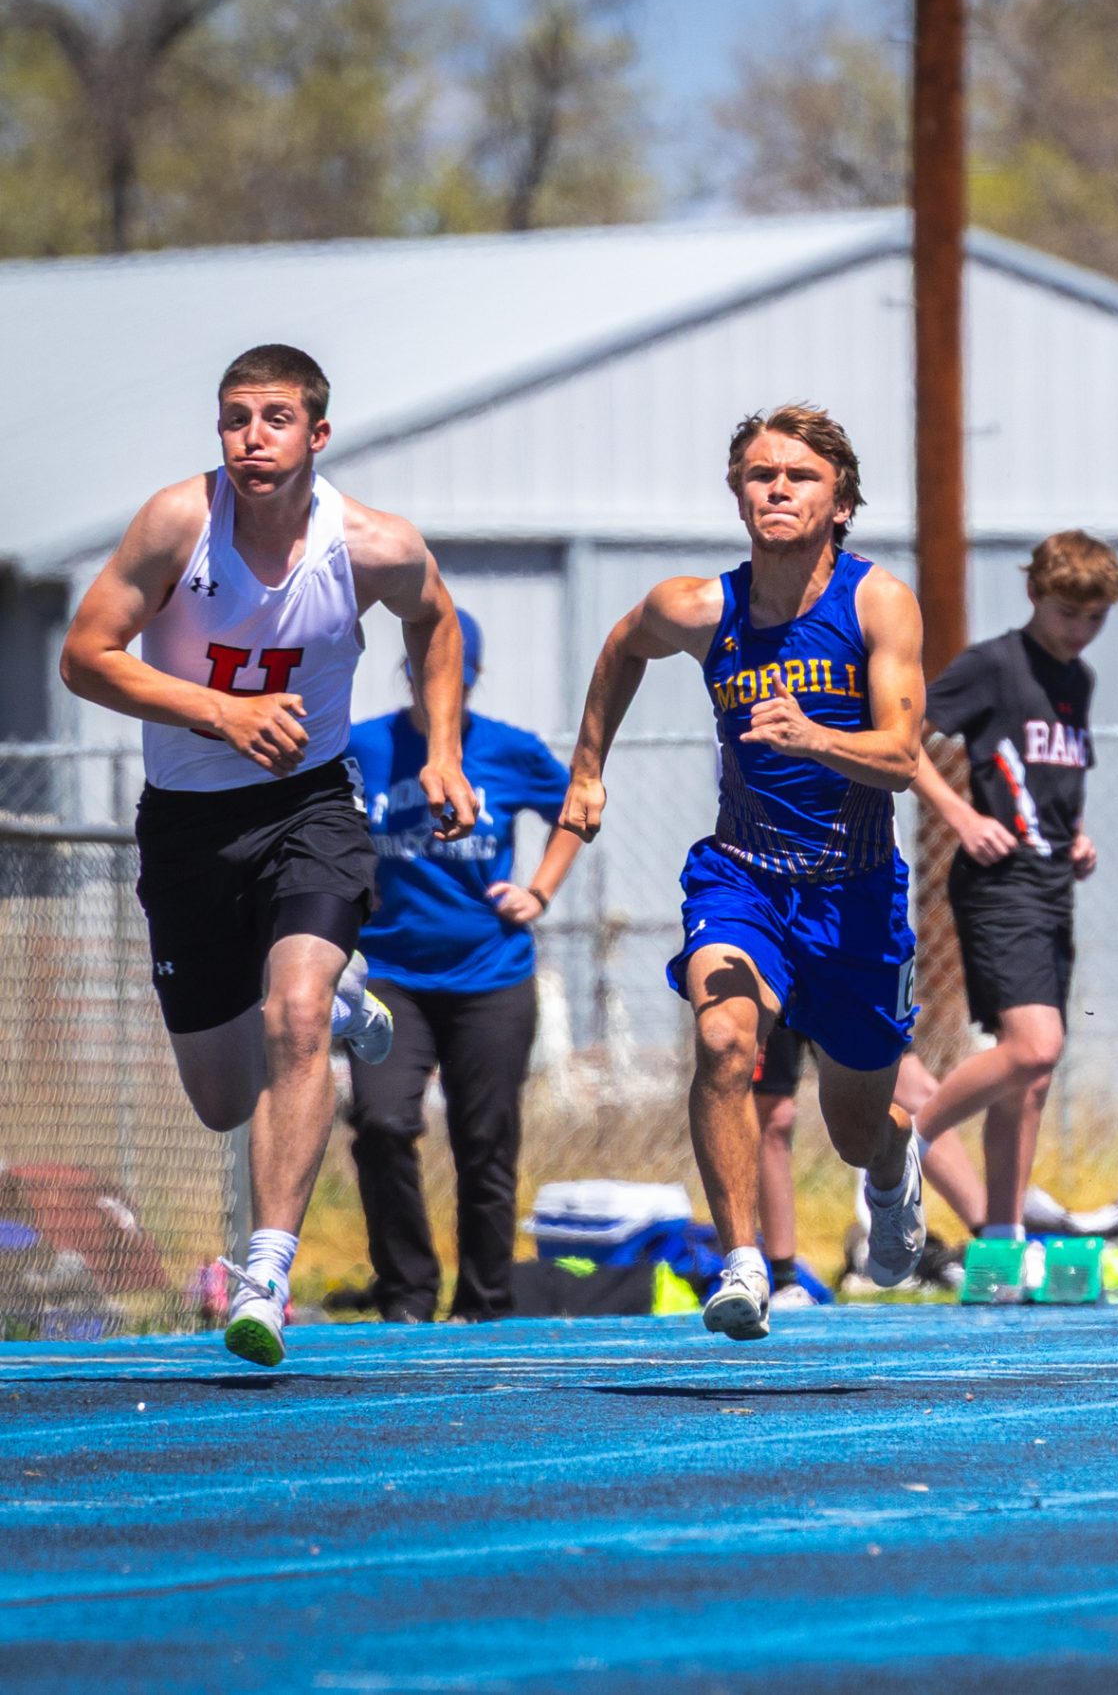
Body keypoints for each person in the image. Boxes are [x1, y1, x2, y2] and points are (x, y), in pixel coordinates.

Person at [58, 344, 475, 1366]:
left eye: (276, 418)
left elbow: (438, 621)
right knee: (216, 1099)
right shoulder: (176, 524)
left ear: (316, 435)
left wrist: (445, 754)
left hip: (311, 806)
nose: (254, 437)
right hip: (191, 822)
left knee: (291, 1015)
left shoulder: (370, 545)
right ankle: (333, 1002)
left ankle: (266, 1273)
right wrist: (219, 711)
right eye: (237, 417)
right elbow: (84, 657)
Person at [552, 402, 927, 1342]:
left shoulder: (877, 601)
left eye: (799, 476)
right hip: (744, 874)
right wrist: (588, 766)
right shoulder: (699, 606)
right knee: (725, 1042)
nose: (777, 489)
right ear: (737, 493)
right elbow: (621, 647)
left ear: (840, 502)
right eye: (760, 475)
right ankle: (745, 1262)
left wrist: (816, 736)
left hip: (855, 891)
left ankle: (891, 1161)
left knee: (852, 1123)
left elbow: (904, 753)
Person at [344, 607, 583, 1322]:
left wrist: (540, 887)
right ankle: (407, 1295)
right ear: (406, 673)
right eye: (422, 672)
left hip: (490, 974)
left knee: (485, 1141)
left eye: (452, 675)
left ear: (470, 679)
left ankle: (483, 1303)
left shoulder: (508, 750)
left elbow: (578, 805)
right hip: (388, 973)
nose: (436, 686)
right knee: (382, 1123)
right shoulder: (363, 746)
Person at [907, 531, 1118, 1245]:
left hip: (1053, 882)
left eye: (1095, 618)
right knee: (1034, 1046)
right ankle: (912, 1139)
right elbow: (903, 741)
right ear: (1034, 594)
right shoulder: (992, 666)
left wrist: (1079, 833)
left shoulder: (1079, 679)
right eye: (1068, 614)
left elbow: (1061, 776)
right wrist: (962, 814)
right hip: (1000, 885)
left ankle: (1002, 1242)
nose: (1080, 631)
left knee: (1028, 1081)